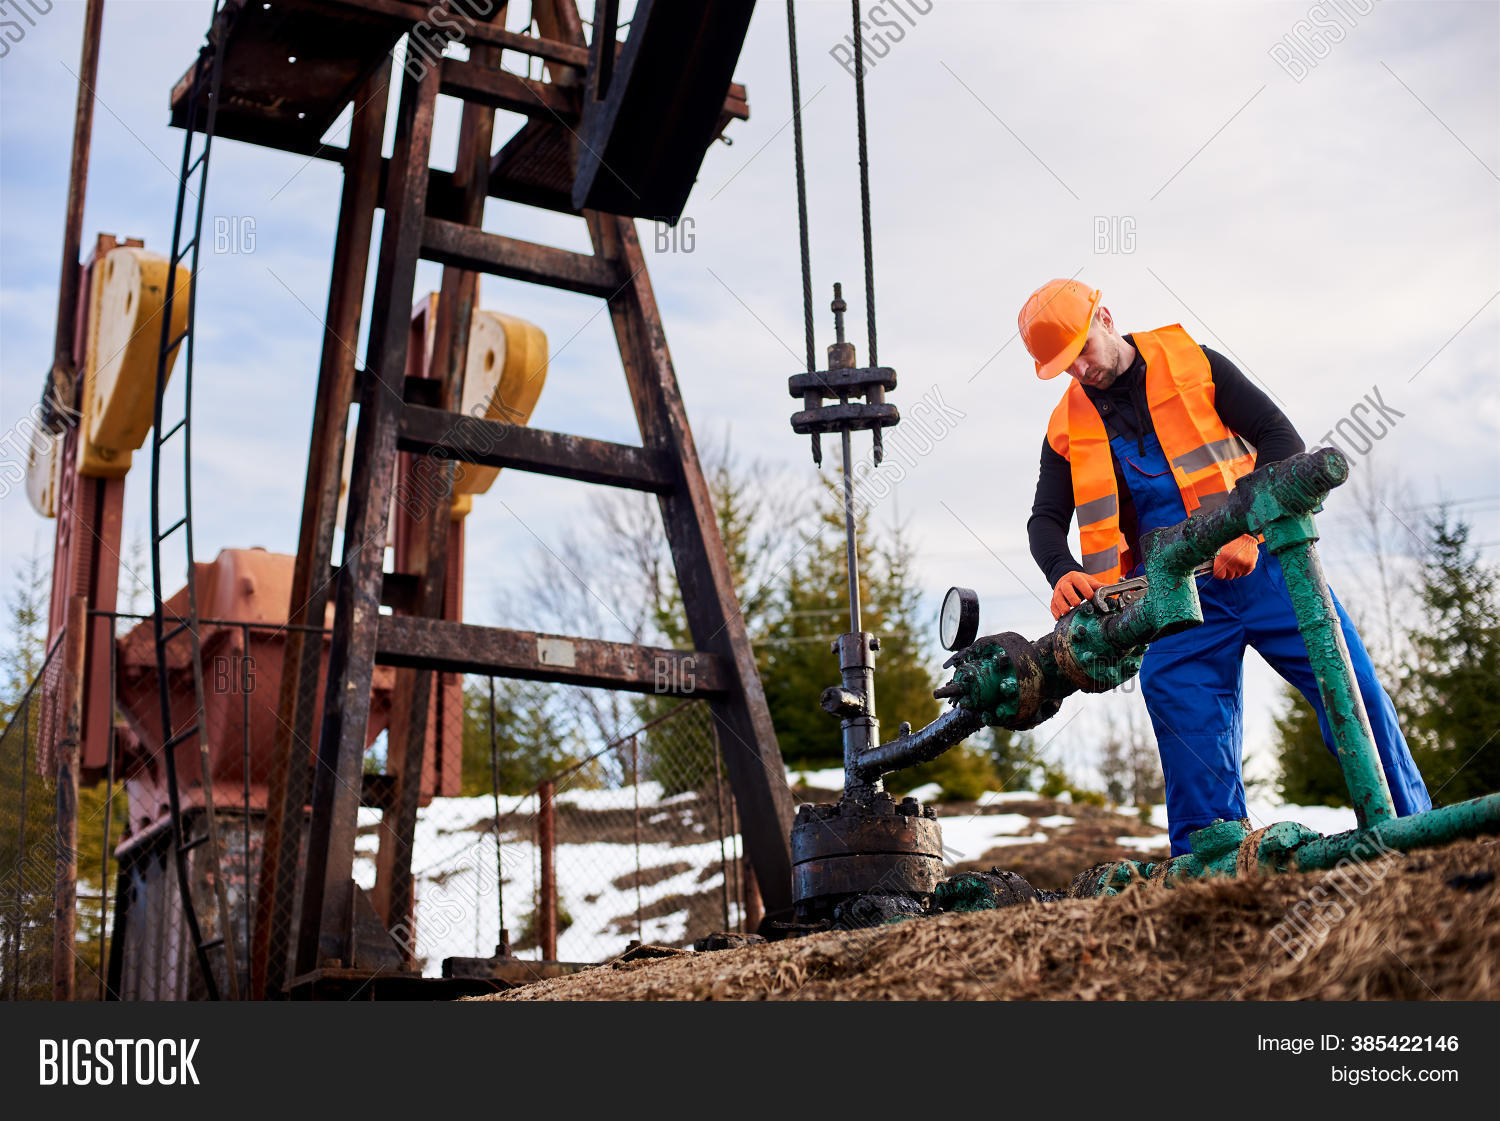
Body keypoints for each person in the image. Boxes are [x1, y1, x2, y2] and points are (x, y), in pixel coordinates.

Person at [1017, 278, 1430, 854]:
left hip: (1267, 570)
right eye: (1065, 365)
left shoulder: (1195, 363)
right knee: (1189, 733)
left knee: (1351, 691)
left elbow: (1280, 437)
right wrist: (1061, 570)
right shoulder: (1065, 427)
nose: (1081, 370)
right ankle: (1210, 873)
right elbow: (1044, 520)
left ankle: (1416, 838)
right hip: (1171, 600)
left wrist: (1251, 527)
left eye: (1082, 349)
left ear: (1105, 317)